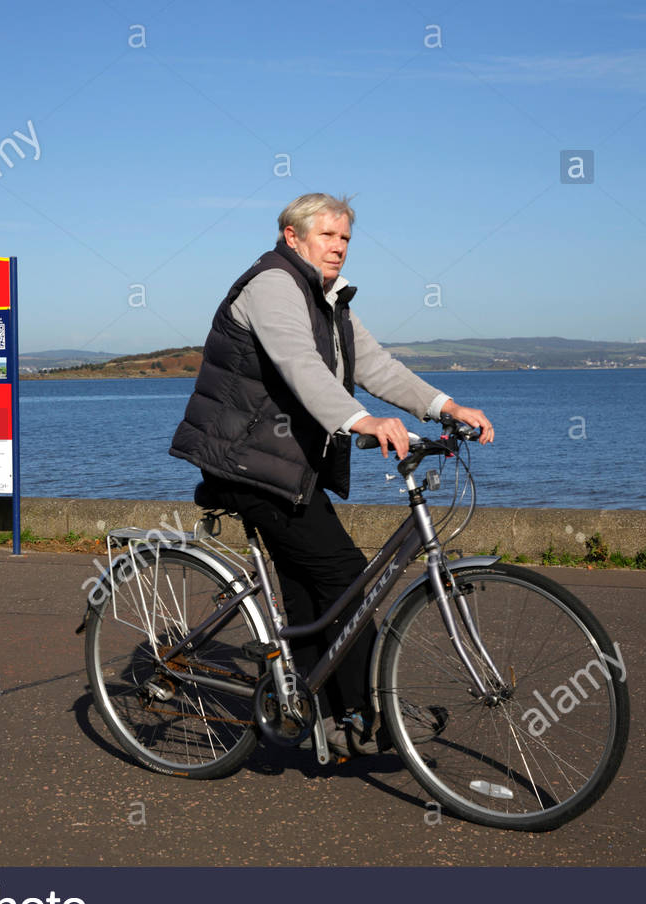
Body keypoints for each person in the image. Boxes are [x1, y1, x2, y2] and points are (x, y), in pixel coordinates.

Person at [170, 193, 494, 757]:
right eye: (327, 236)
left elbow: (374, 365)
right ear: (292, 238)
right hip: (246, 463)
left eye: (345, 238)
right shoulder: (272, 285)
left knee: (310, 590)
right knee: (344, 576)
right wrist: (359, 419)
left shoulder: (329, 299)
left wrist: (445, 406)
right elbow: (301, 366)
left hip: (286, 465)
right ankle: (373, 715)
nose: (339, 247)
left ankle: (318, 709)